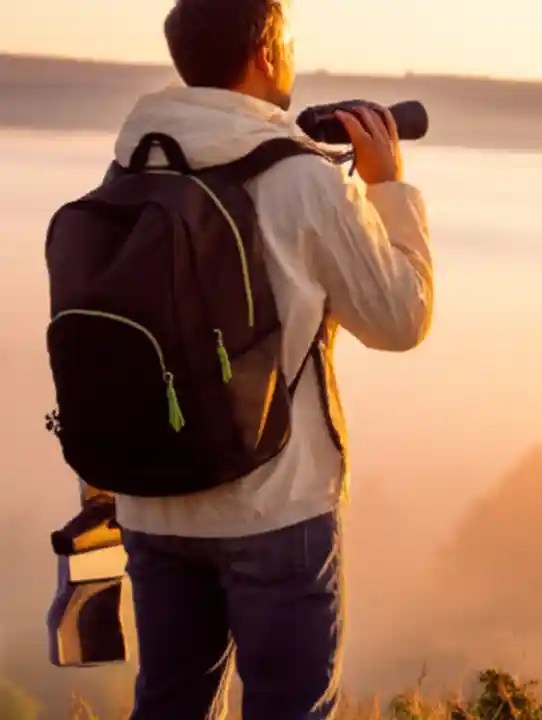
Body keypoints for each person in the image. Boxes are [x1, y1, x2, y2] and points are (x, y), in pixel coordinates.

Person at [108, 0, 433, 717]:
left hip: (152, 504)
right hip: (275, 506)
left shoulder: (128, 167)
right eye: (287, 38)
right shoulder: (305, 179)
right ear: (264, 49)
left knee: (169, 706)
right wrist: (384, 185)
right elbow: (401, 317)